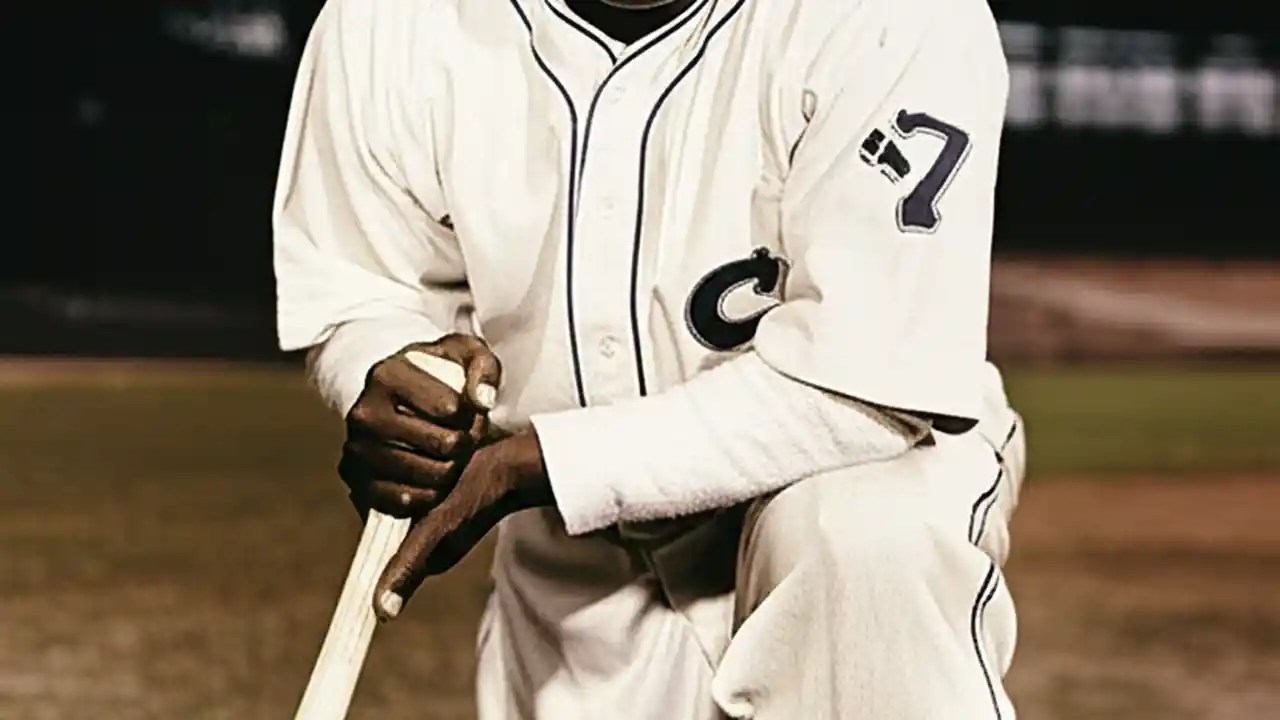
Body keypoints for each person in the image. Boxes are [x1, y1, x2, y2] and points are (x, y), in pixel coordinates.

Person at [273, 0, 1025, 716]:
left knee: (864, 535)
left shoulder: (893, 17)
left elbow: (866, 380)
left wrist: (533, 466)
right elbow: (359, 284)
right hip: (574, 557)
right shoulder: (392, 21)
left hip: (850, 476)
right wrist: (396, 382)